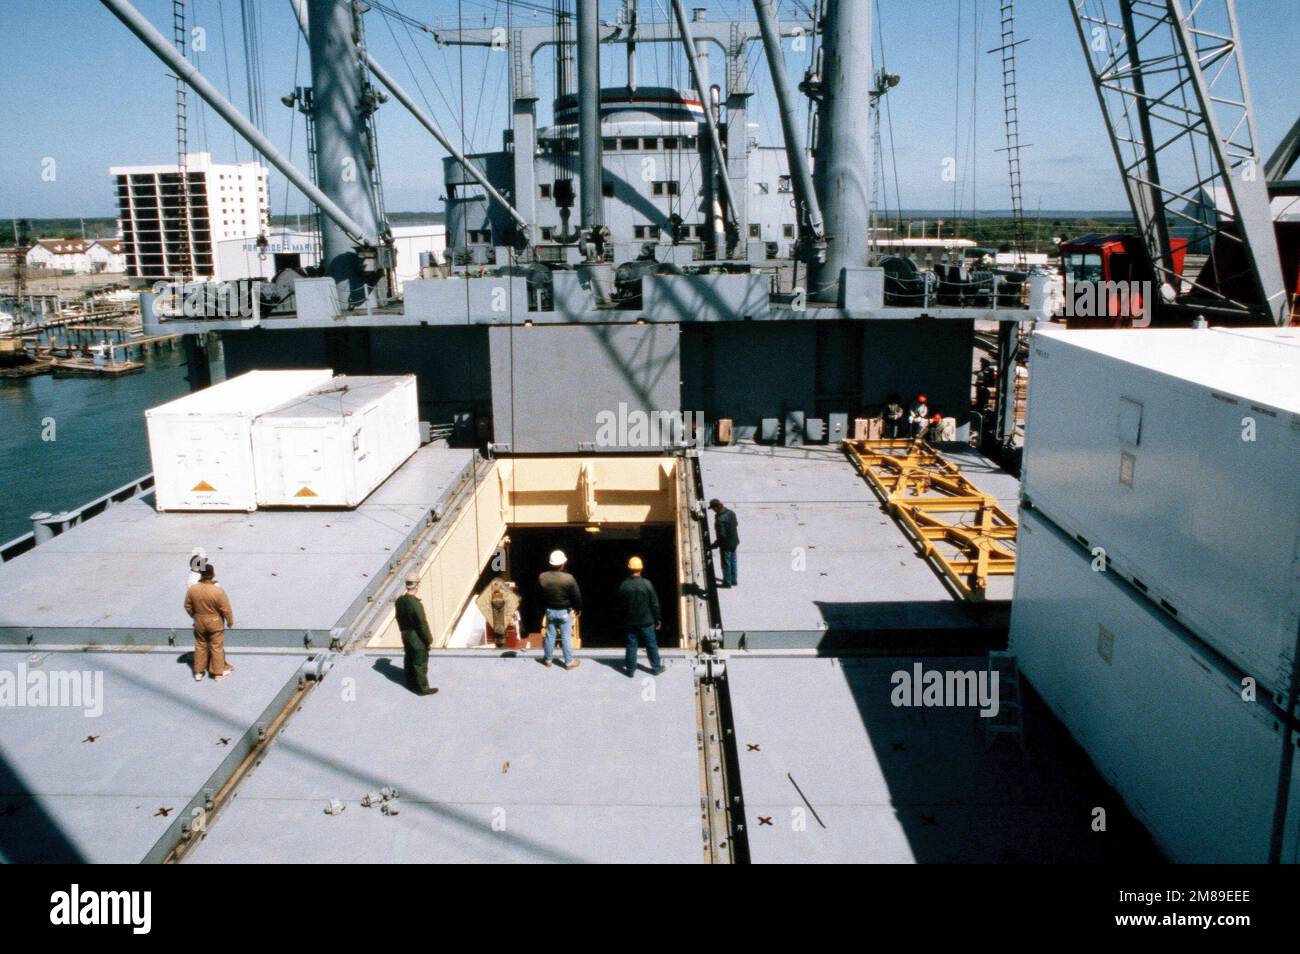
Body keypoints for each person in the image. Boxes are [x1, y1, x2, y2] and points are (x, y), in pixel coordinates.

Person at [184, 563, 235, 682]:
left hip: (199, 622)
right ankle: (217, 673)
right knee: (216, 647)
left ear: (200, 575)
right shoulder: (217, 591)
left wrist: (195, 616)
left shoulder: (193, 589)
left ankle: (198, 672)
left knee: (200, 646)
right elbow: (225, 608)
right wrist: (230, 621)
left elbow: (187, 605)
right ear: (212, 574)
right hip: (215, 622)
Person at [618, 556, 665, 677]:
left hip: (630, 621)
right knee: (651, 645)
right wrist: (658, 618)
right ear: (641, 568)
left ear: (629, 569)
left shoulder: (624, 585)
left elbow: (620, 605)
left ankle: (630, 670)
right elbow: (654, 603)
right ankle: (656, 668)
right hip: (646, 621)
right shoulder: (647, 584)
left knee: (631, 644)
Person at [395, 575, 438, 695]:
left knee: (409, 658)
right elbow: (421, 623)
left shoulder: (400, 601)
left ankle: (410, 683)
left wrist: (403, 631)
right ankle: (422, 688)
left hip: (405, 634)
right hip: (416, 636)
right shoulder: (415, 604)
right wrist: (428, 639)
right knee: (420, 661)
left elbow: (398, 617)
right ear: (417, 585)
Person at [538, 550, 582, 670]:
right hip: (564, 612)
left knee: (550, 636)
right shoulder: (569, 578)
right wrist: (577, 608)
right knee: (566, 637)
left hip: (550, 611)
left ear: (550, 563)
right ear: (563, 564)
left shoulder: (542, 577)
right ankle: (568, 662)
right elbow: (576, 596)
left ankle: (547, 660)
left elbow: (540, 595)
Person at [709, 499, 740, 588]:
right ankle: (734, 580)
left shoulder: (720, 519)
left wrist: (714, 545)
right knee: (733, 561)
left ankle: (727, 582)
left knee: (726, 563)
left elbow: (721, 536)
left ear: (716, 507)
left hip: (726, 544)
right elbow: (736, 524)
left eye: (713, 508)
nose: (713, 510)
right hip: (734, 541)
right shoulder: (731, 513)